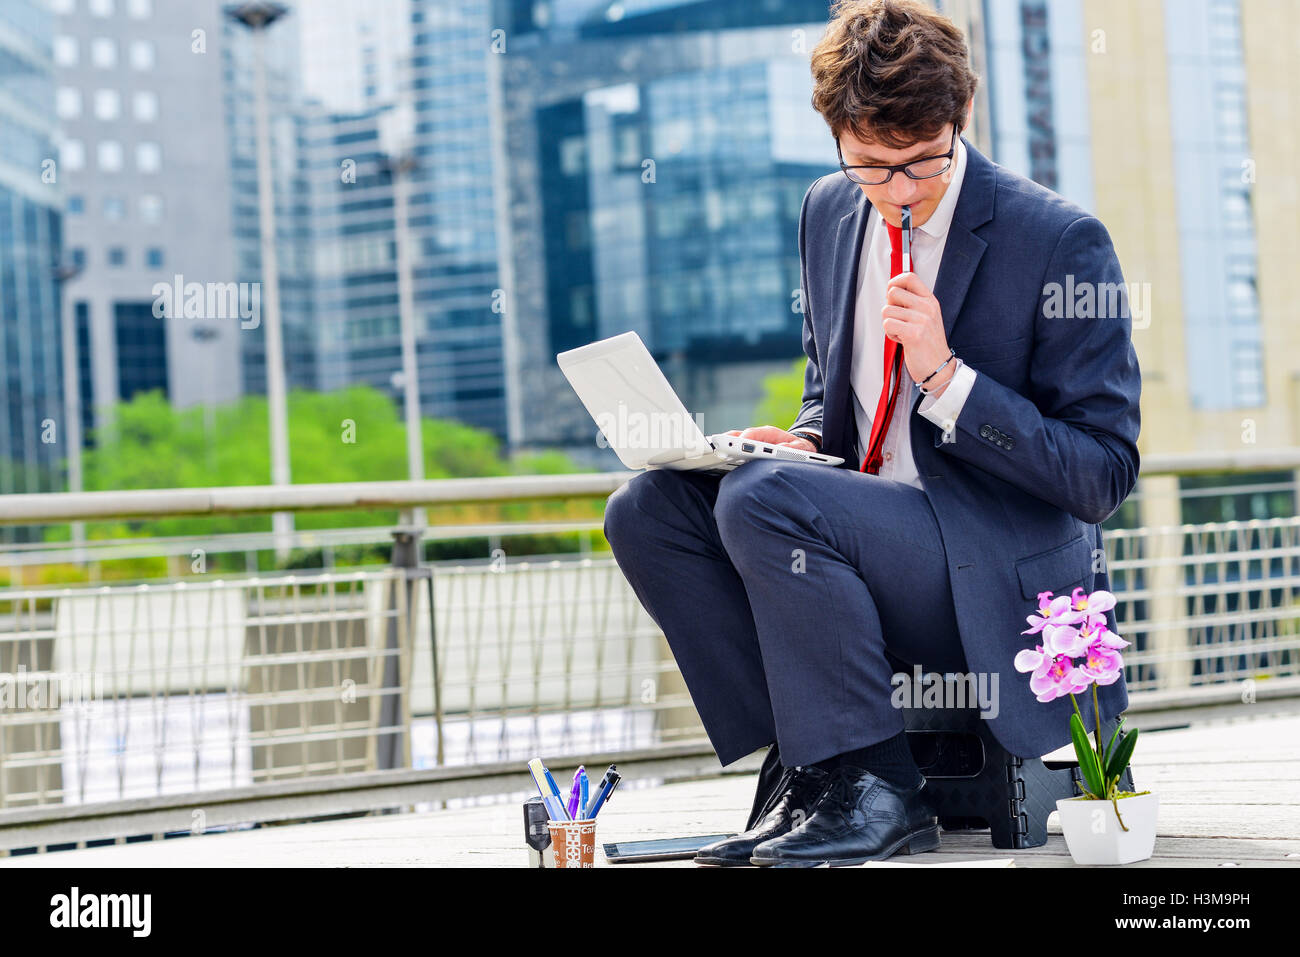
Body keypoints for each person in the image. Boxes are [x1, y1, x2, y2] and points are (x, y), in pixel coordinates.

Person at [602, 0, 1142, 867]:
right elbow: (832, 397)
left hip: (986, 572)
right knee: (648, 507)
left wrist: (949, 378)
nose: (898, 190)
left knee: (765, 501)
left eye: (922, 161)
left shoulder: (1058, 241)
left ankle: (879, 785)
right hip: (853, 548)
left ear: (962, 116)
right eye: (869, 165)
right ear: (834, 137)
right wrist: (799, 445)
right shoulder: (827, 211)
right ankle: (811, 766)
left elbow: (1103, 472)